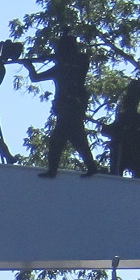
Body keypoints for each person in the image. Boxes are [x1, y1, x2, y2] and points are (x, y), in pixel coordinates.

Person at [22, 31, 98, 177]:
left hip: (72, 107)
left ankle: (54, 171)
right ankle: (87, 167)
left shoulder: (73, 64)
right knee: (75, 139)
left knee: (61, 140)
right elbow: (36, 77)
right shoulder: (62, 66)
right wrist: (30, 65)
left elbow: (37, 76)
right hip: (66, 108)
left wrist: (37, 64)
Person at [102, 76, 140, 178]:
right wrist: (106, 129)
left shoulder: (138, 118)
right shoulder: (121, 117)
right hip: (122, 152)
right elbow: (112, 130)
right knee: (115, 177)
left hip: (136, 152)